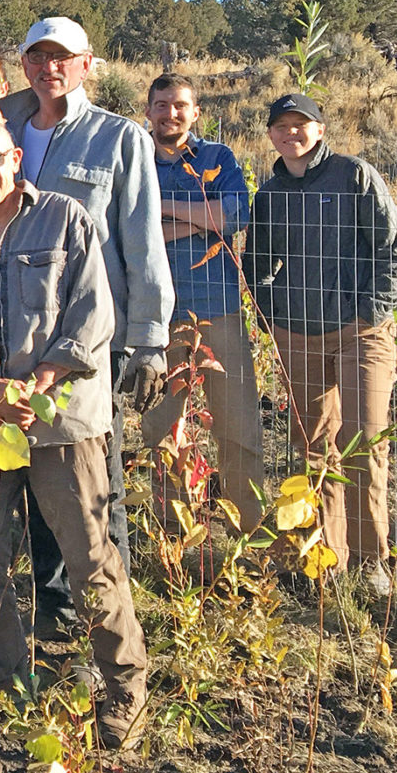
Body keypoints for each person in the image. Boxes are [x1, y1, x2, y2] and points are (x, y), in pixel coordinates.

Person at [0, 117, 148, 746]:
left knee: (89, 558)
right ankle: (1, 682)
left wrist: (42, 381)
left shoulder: (67, 219)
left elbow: (92, 313)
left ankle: (124, 689)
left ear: (15, 157)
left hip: (63, 424)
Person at [0, 16, 173, 628]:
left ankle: (108, 616)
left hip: (91, 340)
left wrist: (149, 340)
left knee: (97, 485)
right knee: (36, 476)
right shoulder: (6, 131)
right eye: (38, 56)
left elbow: (144, 244)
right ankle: (55, 613)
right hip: (17, 337)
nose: (49, 67)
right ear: (24, 65)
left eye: (62, 57)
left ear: (87, 63)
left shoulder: (119, 139)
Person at [243, 93, 397, 593]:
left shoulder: (353, 176)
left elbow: (396, 252)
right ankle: (327, 557)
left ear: (319, 130)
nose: (291, 133)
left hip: (361, 332)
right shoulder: (270, 194)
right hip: (299, 335)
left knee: (364, 441)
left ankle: (370, 560)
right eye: (281, 126)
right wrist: (277, 314)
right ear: (271, 134)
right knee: (313, 448)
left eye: (302, 124)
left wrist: (369, 311)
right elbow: (256, 265)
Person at [136, 74, 265, 530]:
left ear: (196, 112)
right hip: (155, 315)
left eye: (180, 105)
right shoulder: (134, 158)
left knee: (238, 427)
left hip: (217, 309)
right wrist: (199, 219)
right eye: (161, 105)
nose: (171, 113)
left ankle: (246, 533)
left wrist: (161, 210)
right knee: (161, 428)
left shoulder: (217, 157)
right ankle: (174, 536)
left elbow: (232, 216)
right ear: (147, 111)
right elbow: (125, 229)